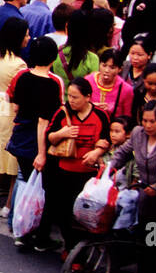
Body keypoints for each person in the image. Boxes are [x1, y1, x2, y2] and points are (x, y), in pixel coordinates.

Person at [29, 78, 111, 252]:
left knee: (84, 214)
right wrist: (62, 133)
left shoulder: (100, 115)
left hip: (88, 174)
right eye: (69, 96)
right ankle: (71, 248)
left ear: (88, 97)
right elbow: (49, 137)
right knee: (64, 212)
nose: (71, 100)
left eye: (75, 97)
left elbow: (106, 139)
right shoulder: (62, 113)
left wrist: (96, 152)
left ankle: (82, 250)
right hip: (64, 172)